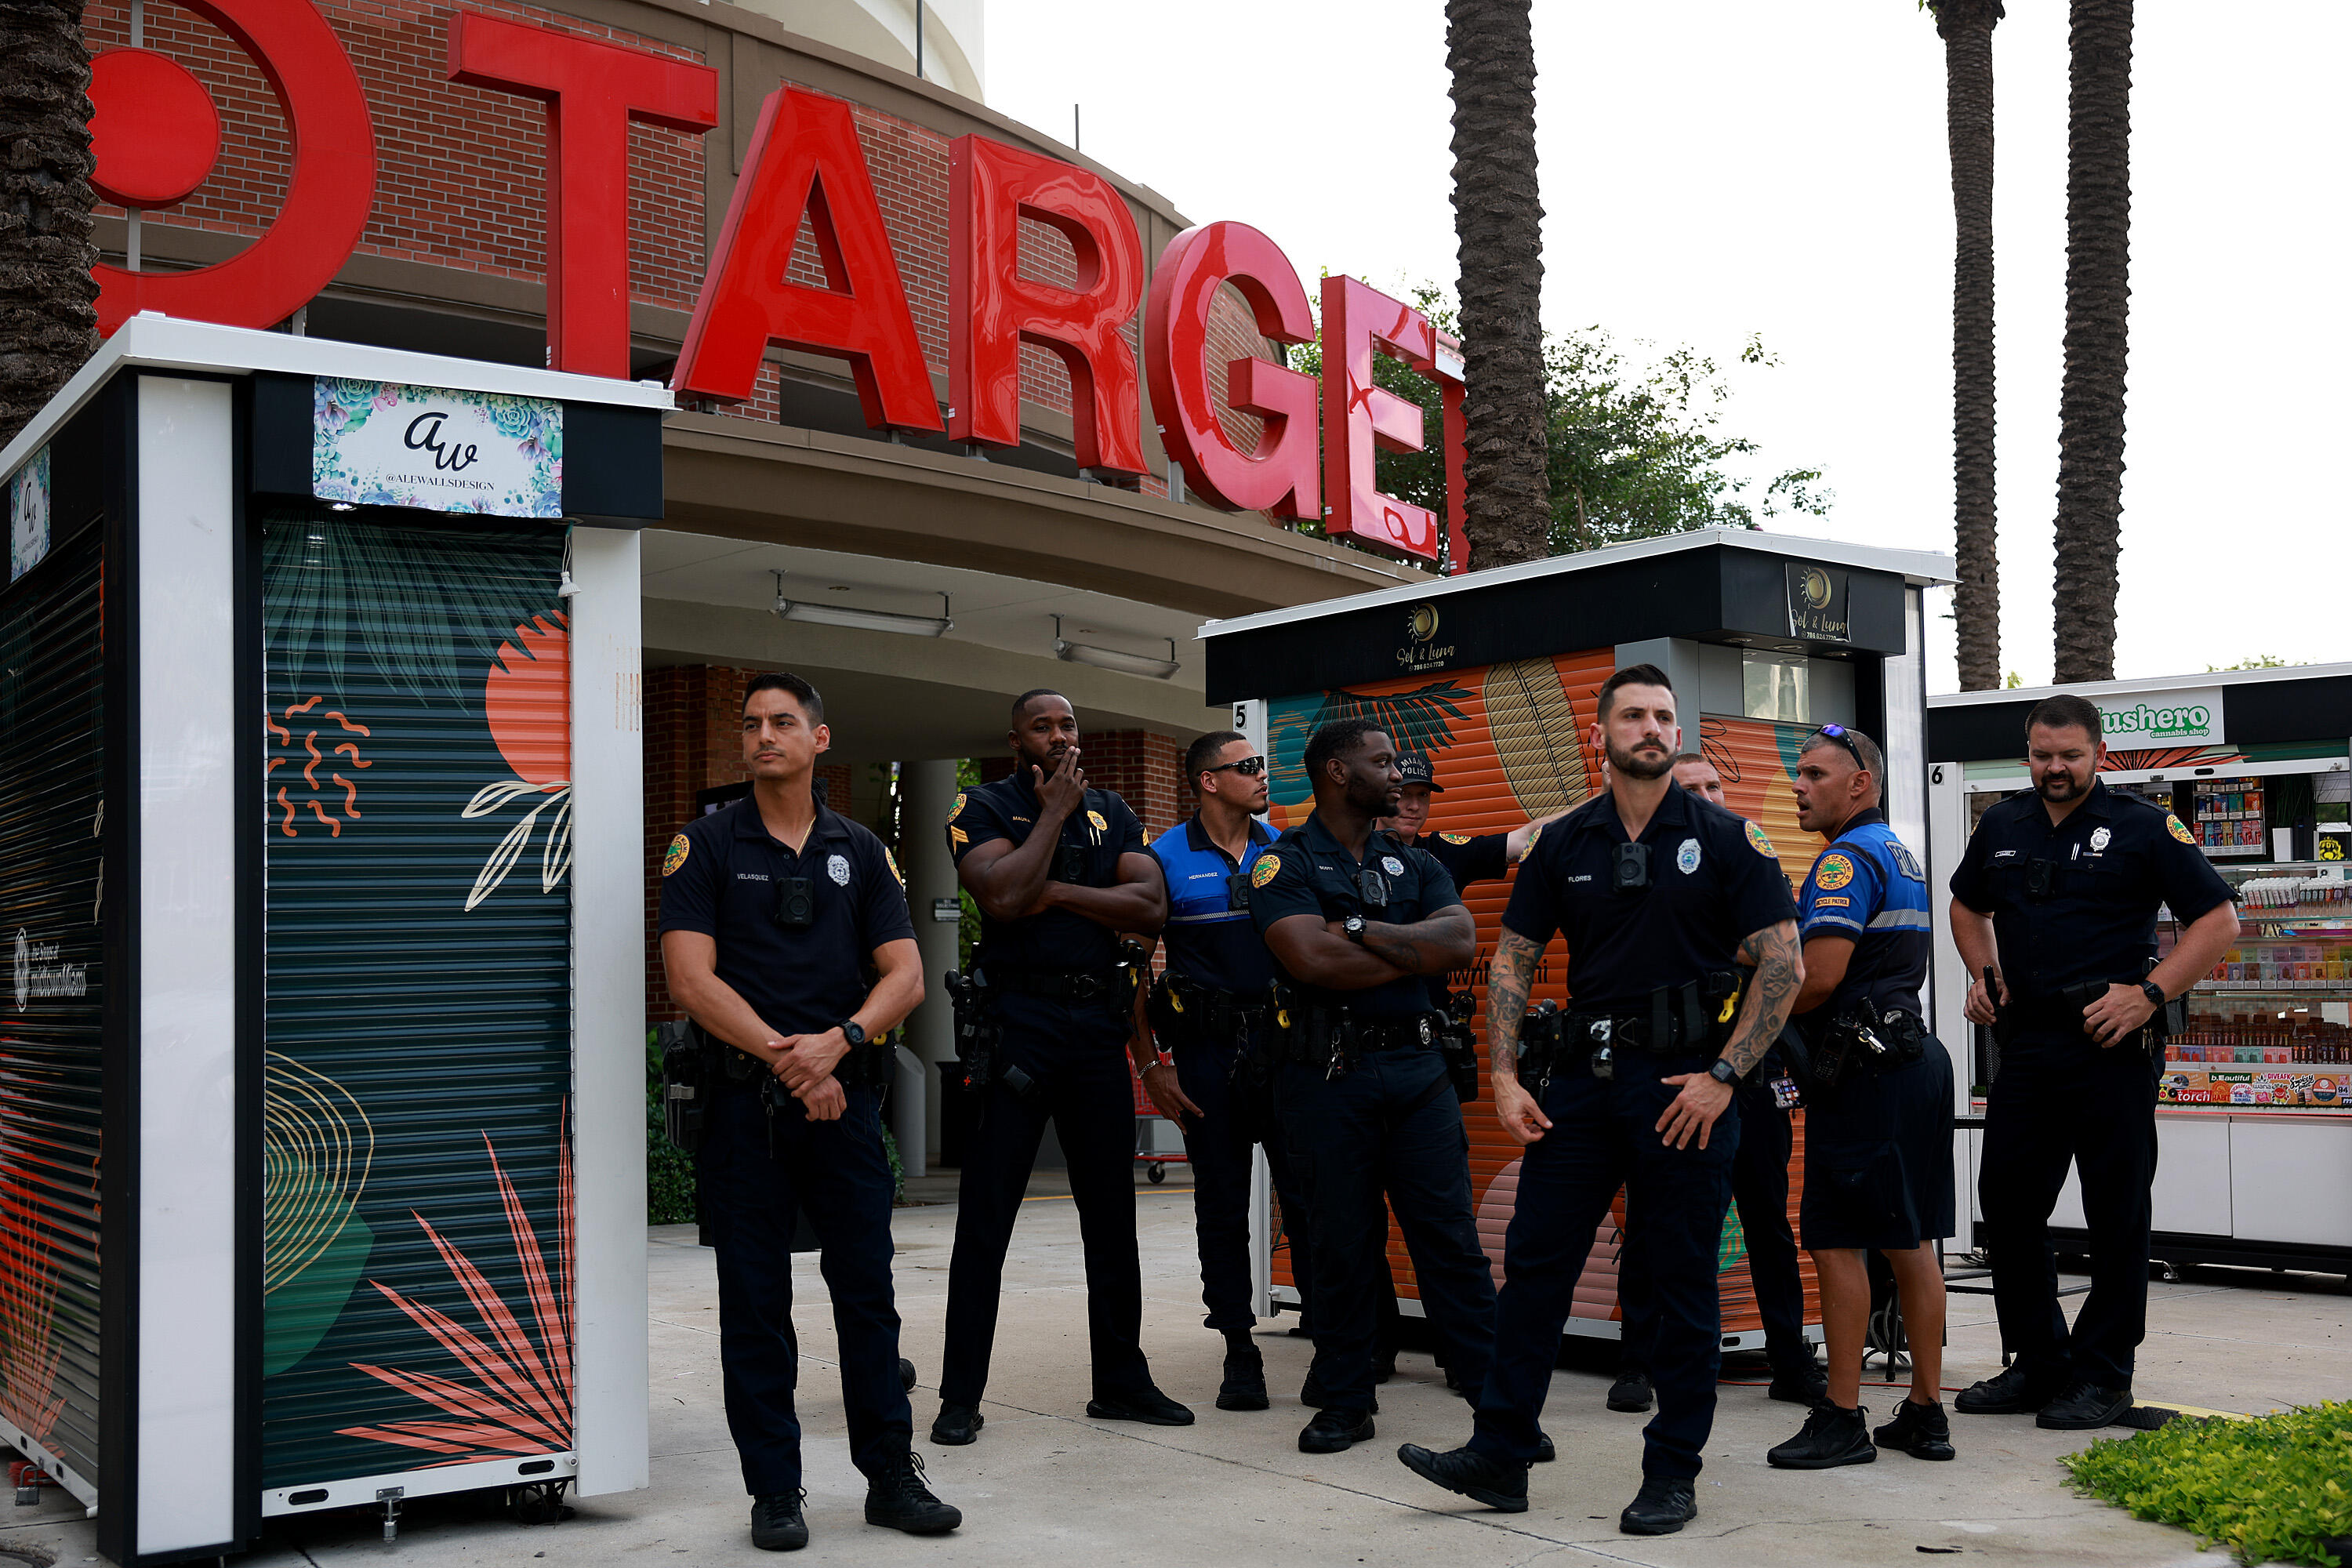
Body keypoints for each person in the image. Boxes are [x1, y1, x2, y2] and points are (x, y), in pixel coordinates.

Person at [1397, 663, 1804, 1535]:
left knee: (1684, 1279)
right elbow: (1510, 958)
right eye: (1633, 715)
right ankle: (1501, 1453)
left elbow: (1785, 964)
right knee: (1536, 1266)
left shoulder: (1731, 839)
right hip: (1581, 1085)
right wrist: (1505, 1076)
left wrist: (1724, 1077)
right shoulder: (1565, 842)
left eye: (1664, 714)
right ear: (1601, 734)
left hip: (1684, 1086)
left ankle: (1672, 1471)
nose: (1651, 727)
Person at [659, 671, 961, 1552]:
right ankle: (775, 1489)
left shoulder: (861, 850)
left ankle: (892, 1477)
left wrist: (841, 1040)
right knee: (754, 1303)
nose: (764, 736)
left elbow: (904, 974)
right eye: (752, 723)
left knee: (867, 1295)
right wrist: (796, 1059)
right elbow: (690, 979)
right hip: (742, 1111)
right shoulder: (705, 844)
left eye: (783, 722)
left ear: (818, 739)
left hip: (844, 1105)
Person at [1947, 695, 2239, 1429]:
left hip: (2111, 1046)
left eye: (2070, 755)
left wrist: (2150, 994)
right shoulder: (2001, 824)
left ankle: (2104, 1376)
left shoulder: (2142, 827)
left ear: (2098, 755)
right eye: (2043, 755)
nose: (2055, 768)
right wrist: (1985, 978)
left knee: (2116, 1214)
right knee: (2008, 1209)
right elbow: (1965, 905)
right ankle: (2040, 1365)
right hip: (2027, 1046)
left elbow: (2219, 920)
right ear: (2029, 755)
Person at [932, 690, 1188, 1445]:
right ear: (1015, 740)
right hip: (1019, 1027)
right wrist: (1050, 820)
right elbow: (1003, 896)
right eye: (1042, 726)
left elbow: (1150, 909)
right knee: (987, 1219)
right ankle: (959, 1396)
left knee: (1112, 1216)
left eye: (1069, 723)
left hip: (1095, 1029)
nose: (1059, 735)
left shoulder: (1112, 808)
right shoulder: (978, 806)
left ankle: (1120, 1382)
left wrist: (1056, 892)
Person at [1247, 719, 1497, 1454]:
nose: (1398, 774)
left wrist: (1352, 927)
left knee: (1449, 1241)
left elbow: (1458, 943)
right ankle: (1346, 1400)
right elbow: (1310, 963)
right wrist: (1408, 950)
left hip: (1419, 1075)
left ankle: (1499, 1408)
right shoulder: (1281, 863)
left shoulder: (1414, 862)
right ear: (1334, 771)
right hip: (1329, 1075)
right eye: (1382, 762)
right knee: (1341, 1244)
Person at [1608, 751, 1824, 1415]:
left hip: (1749, 1074)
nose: (1707, 797)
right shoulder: (1645, 867)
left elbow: (1785, 963)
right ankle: (1638, 1363)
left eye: (1714, 786)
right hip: (1672, 1073)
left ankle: (1790, 1359)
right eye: (1691, 788)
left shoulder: (1753, 862)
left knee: (1767, 1219)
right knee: (1651, 1216)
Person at [1766, 724, 1955, 1468]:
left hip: (1865, 1069)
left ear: (1861, 783)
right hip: (1912, 1058)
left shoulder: (1844, 860)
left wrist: (1753, 1011)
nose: (1798, 785)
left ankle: (1841, 1416)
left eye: (1814, 773)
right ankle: (1924, 1412)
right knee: (1909, 1243)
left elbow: (1819, 979)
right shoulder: (1898, 852)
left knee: (1838, 1244)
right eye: (1798, 773)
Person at [1131, 730, 1289, 1411]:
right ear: (1208, 781)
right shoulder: (1160, 859)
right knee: (1220, 1208)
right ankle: (1238, 1350)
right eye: (1248, 767)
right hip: (1205, 1055)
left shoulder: (1282, 847)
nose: (1262, 776)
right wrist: (1151, 1067)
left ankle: (1341, 1347)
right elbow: (1131, 974)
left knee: (1311, 1199)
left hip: (1285, 1052)